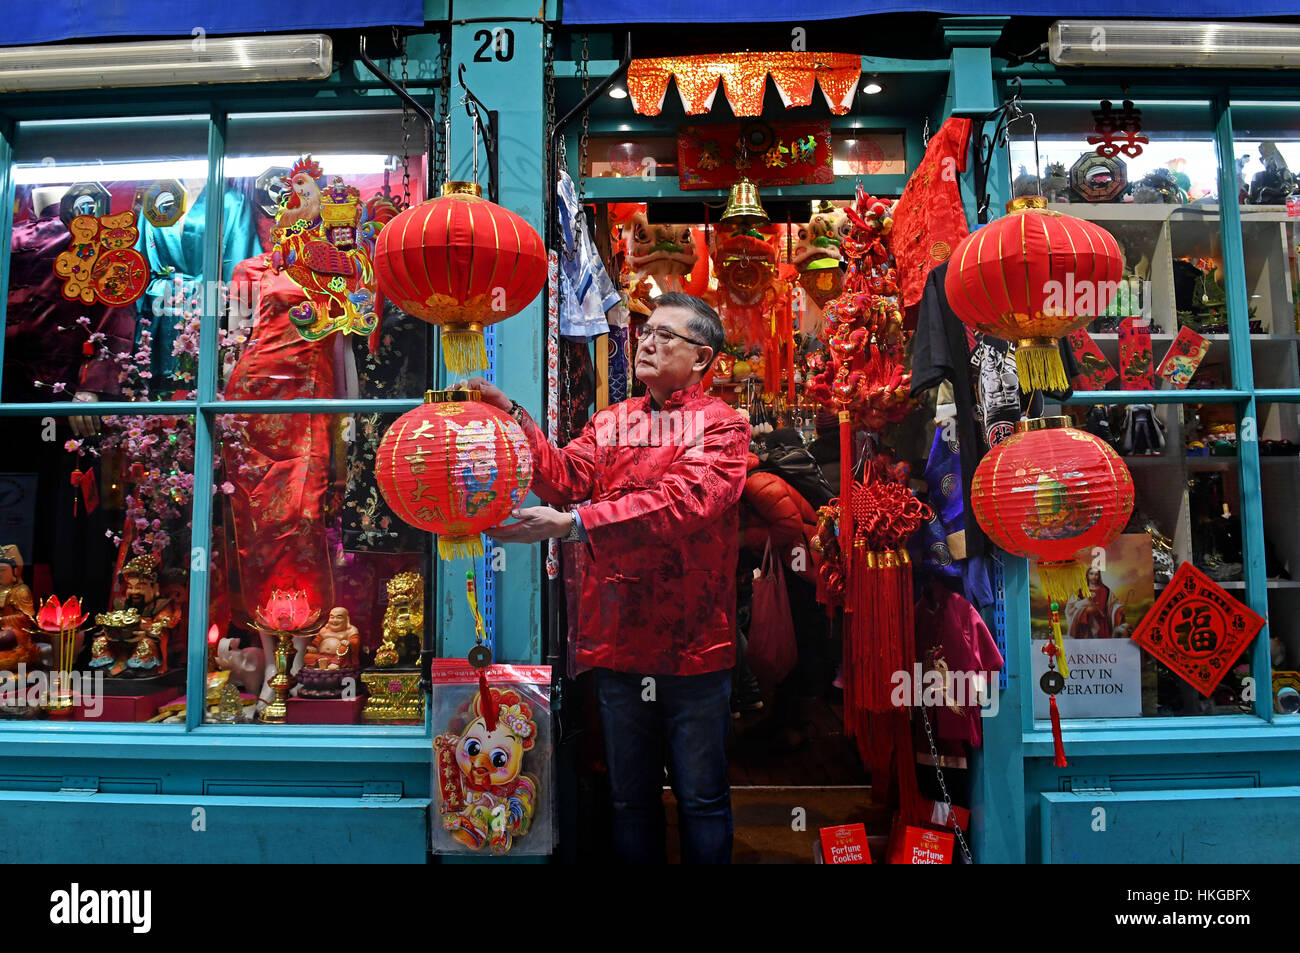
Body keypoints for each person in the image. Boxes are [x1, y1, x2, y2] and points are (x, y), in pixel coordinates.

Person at [469, 292, 750, 864]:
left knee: (701, 798)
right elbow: (565, 475)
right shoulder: (613, 420)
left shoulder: (722, 429)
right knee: (628, 800)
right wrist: (512, 416)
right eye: (646, 332)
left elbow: (682, 502)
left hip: (694, 648)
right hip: (618, 643)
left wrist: (573, 525)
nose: (647, 341)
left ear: (703, 359)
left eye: (666, 335)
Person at [1064, 567, 1130, 640]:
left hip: (1102, 624)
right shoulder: (1080, 591)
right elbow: (1071, 606)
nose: (1094, 577)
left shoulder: (1106, 590)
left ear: (1099, 576)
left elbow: (1113, 604)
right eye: (1091, 574)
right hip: (1085, 626)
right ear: (1087, 575)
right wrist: (1085, 608)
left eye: (1096, 574)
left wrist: (1119, 608)